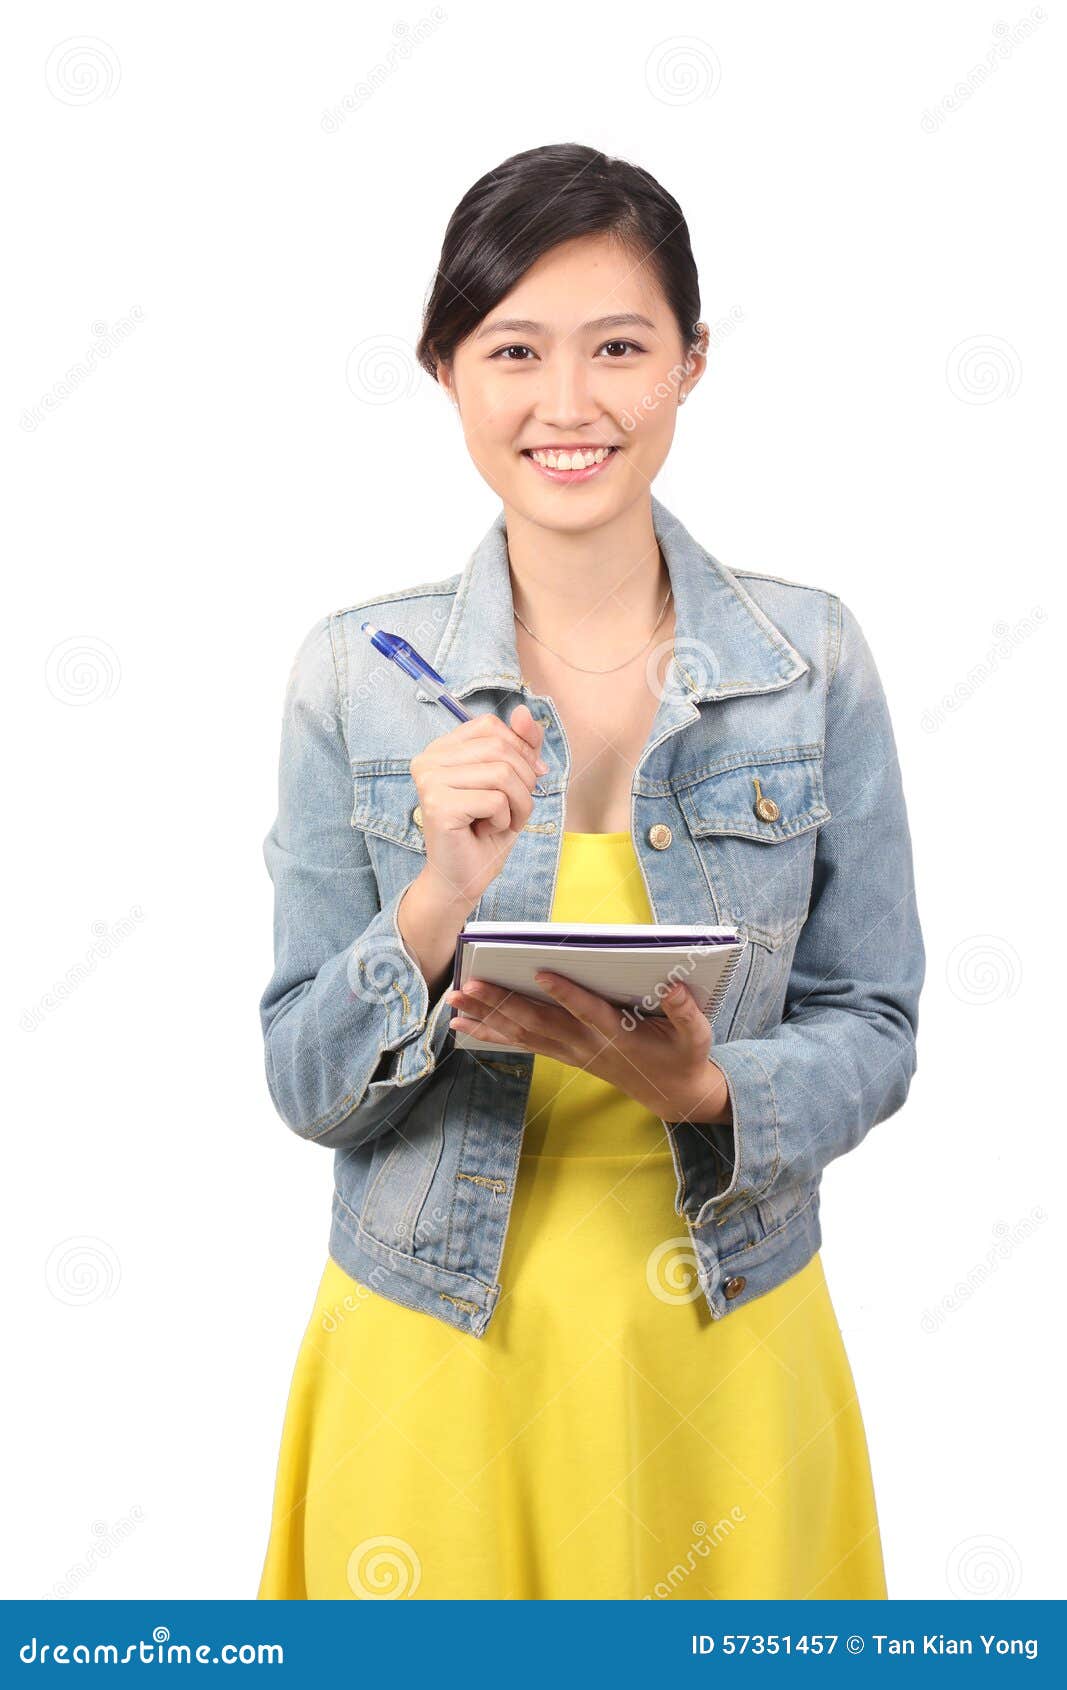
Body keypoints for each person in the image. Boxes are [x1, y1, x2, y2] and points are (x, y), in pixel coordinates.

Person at [256, 143, 925, 1600]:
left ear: (690, 362)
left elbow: (877, 1017)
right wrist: (434, 900)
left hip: (725, 1339)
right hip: (437, 1353)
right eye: (514, 350)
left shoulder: (810, 658)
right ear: (445, 372)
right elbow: (304, 1083)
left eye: (619, 345)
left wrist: (712, 1092)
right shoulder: (356, 680)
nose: (568, 404)